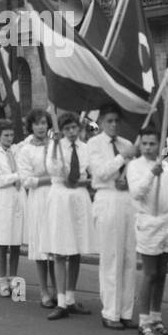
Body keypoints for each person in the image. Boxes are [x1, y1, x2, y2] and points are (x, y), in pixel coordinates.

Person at [126, 123, 168, 335]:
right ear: (140, 145)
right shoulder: (135, 166)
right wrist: (152, 173)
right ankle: (143, 322)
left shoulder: (166, 167)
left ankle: (156, 318)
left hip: (167, 223)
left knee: (161, 274)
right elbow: (137, 193)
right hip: (148, 223)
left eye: (153, 144)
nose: (149, 147)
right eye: (145, 143)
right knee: (150, 274)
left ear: (160, 145)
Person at [87, 103, 138, 330]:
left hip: (127, 200)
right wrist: (121, 159)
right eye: (109, 121)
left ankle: (126, 311)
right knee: (111, 257)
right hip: (107, 199)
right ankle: (110, 312)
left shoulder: (127, 144)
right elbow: (99, 172)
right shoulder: (94, 144)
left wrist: (129, 179)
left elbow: (136, 173)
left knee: (128, 258)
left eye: (117, 121)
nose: (114, 125)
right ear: (100, 123)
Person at [44, 112, 95, 320]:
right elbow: (52, 168)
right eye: (67, 129)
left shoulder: (85, 148)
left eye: (74, 128)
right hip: (60, 199)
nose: (71, 132)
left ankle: (72, 298)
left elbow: (93, 174)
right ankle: (61, 301)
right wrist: (55, 145)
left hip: (79, 198)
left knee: (76, 250)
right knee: (60, 250)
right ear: (61, 131)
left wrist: (84, 182)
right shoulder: (56, 147)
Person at [18, 109, 57, 307]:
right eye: (37, 123)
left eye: (44, 123)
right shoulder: (26, 150)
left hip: (56, 198)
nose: (41, 127)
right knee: (42, 247)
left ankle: (59, 289)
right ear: (31, 126)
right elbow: (26, 180)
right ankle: (44, 291)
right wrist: (49, 179)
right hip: (38, 199)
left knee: (56, 246)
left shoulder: (55, 146)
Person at [0, 119, 26, 297]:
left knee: (16, 242)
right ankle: (2, 281)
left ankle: (14, 280)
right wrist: (17, 175)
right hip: (3, 199)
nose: (9, 138)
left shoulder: (17, 151)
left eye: (11, 135)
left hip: (18, 197)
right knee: (3, 243)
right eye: (6, 135)